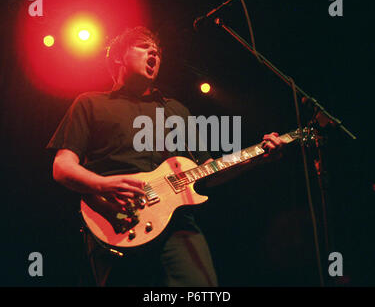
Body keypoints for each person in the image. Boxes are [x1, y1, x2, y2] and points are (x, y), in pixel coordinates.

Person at [47, 26, 284, 286]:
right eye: (143, 45)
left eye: (157, 50)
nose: (154, 51)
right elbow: (62, 166)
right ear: (117, 57)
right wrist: (103, 184)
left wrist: (256, 157)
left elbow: (207, 172)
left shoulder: (175, 110)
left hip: (177, 225)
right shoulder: (90, 103)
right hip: (115, 218)